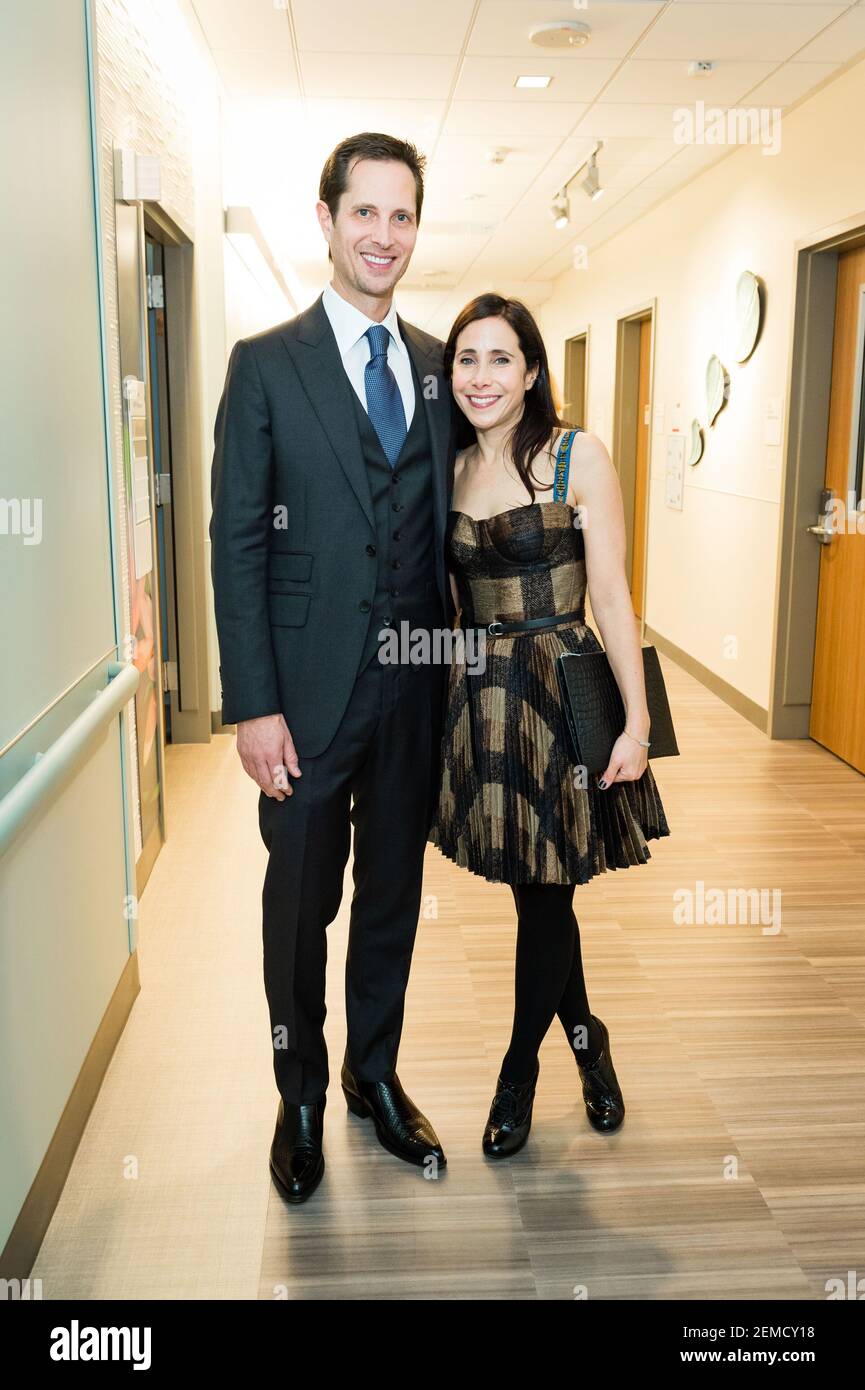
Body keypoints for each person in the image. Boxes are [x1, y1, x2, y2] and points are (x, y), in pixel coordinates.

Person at [210, 133, 459, 1204]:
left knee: (392, 898)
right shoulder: (266, 364)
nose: (383, 235)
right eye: (366, 213)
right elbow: (236, 542)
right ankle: (299, 1090)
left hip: (414, 691)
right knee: (299, 903)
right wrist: (253, 703)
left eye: (402, 216)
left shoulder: (446, 366)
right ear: (327, 219)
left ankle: (374, 1077)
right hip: (304, 700)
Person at [428, 293, 671, 1157]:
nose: (482, 376)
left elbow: (610, 594)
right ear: (449, 372)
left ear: (532, 372)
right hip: (486, 703)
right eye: (466, 358)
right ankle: (587, 1042)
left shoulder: (575, 456)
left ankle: (516, 1071)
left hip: (563, 700)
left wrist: (635, 723)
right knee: (538, 896)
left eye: (501, 359)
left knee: (547, 898)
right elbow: (453, 605)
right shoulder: (449, 468)